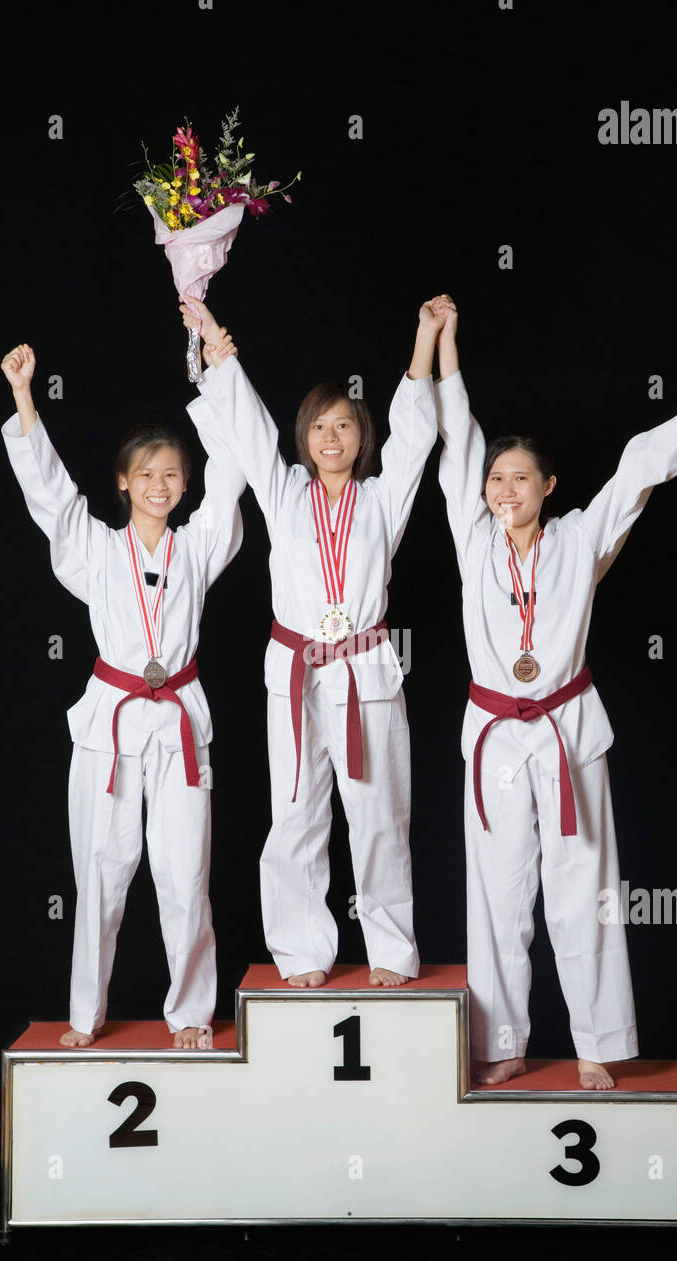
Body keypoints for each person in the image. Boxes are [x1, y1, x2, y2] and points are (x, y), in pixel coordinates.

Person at [433, 298, 677, 1088]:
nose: (505, 487)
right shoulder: (472, 540)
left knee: (584, 891)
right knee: (498, 895)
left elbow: (638, 465)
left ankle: (597, 1043)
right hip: (498, 737)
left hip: (568, 728)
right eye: (496, 478)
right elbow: (457, 441)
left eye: (521, 477)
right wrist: (448, 349)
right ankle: (500, 1044)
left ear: (550, 485)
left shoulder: (577, 539)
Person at [179, 295, 445, 987]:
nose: (332, 437)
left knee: (380, 814)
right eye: (320, 426)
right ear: (306, 436)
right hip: (295, 669)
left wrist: (423, 338)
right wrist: (217, 349)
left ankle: (389, 950)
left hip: (364, 670)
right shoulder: (285, 489)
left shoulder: (384, 498)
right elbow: (250, 432)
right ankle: (300, 952)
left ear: (363, 437)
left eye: (346, 425)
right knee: (295, 812)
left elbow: (417, 436)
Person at [0, 340, 245, 1048]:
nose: (160, 484)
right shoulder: (96, 550)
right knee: (101, 879)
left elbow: (233, 473)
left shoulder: (199, 547)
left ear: (184, 485)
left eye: (172, 474)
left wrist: (206, 372)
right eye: (147, 474)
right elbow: (50, 494)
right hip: (109, 728)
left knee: (184, 876)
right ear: (123, 483)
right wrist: (24, 394)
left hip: (178, 729)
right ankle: (85, 1018)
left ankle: (192, 1016)